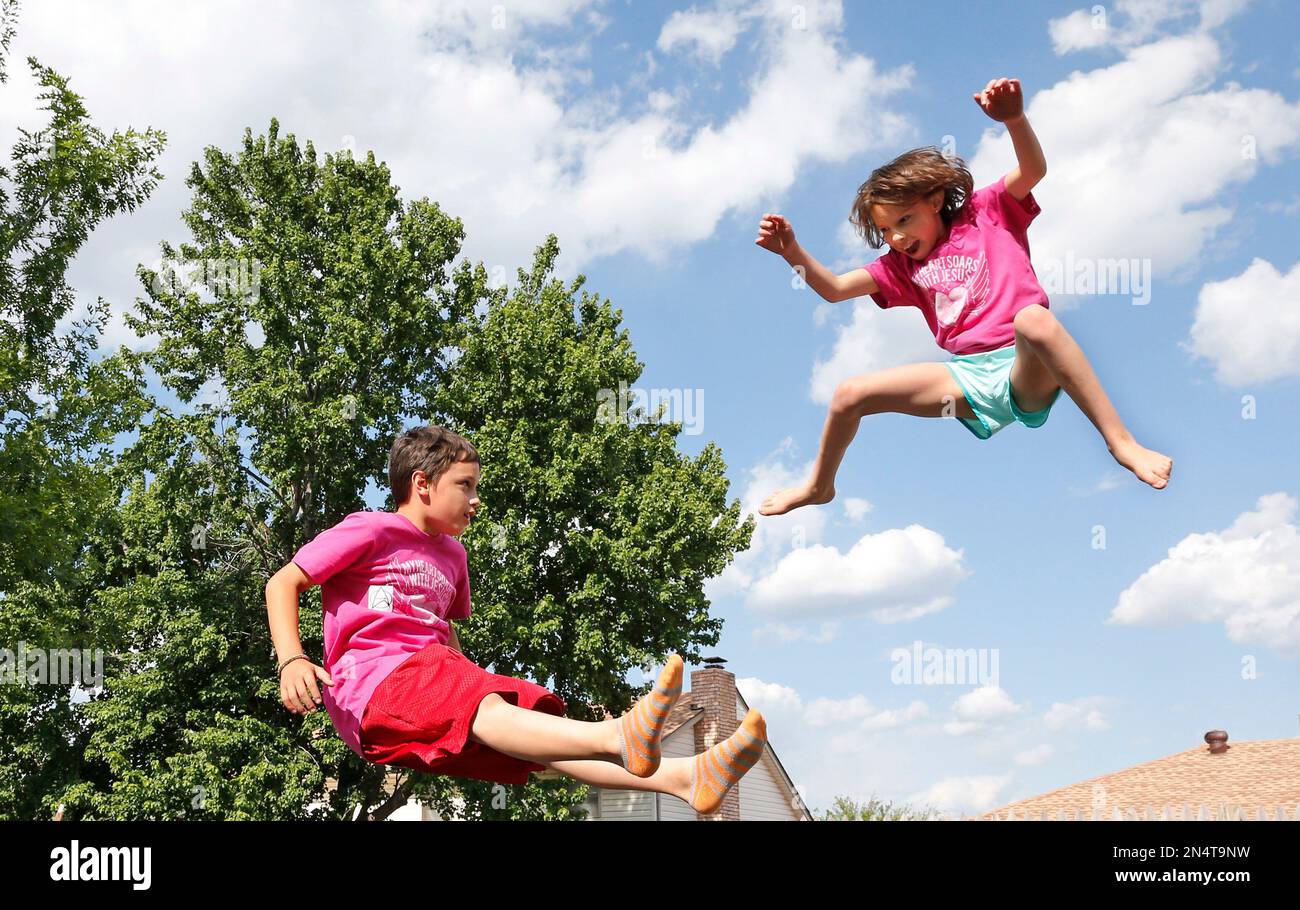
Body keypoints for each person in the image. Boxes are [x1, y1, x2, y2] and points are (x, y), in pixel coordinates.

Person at [265, 424, 766, 815]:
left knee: (539, 736)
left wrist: (474, 678)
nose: (476, 500)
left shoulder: (453, 558)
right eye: (465, 486)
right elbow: (283, 582)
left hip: (431, 676)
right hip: (373, 685)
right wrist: (292, 659)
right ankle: (618, 736)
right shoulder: (371, 530)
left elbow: (445, 630)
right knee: (494, 711)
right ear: (422, 484)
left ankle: (683, 778)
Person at [754, 77, 1173, 516]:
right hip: (967, 378)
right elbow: (835, 290)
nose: (896, 237)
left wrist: (1014, 120)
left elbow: (1032, 172)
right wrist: (792, 253)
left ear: (935, 201)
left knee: (1032, 319)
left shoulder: (987, 211)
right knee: (848, 394)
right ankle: (818, 487)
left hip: (1025, 368)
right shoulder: (900, 267)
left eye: (905, 219)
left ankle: (1121, 442)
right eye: (884, 231)